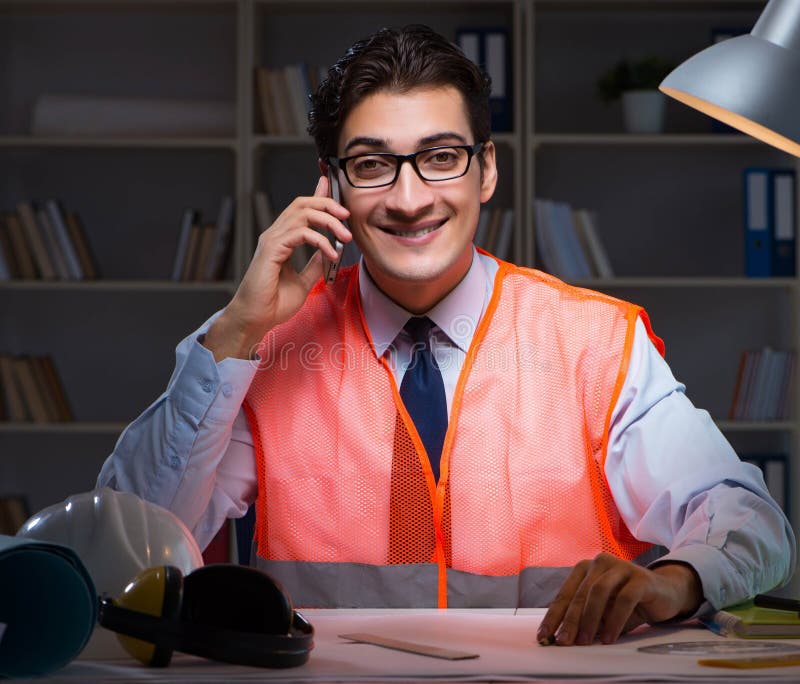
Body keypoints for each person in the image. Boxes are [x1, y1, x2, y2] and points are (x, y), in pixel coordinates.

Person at [98, 24, 795, 646]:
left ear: (486, 169)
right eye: (372, 164)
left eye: (440, 157)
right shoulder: (266, 348)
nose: (409, 199)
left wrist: (676, 580)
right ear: (332, 187)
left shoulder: (595, 343)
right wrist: (237, 328)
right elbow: (127, 544)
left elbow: (751, 523)